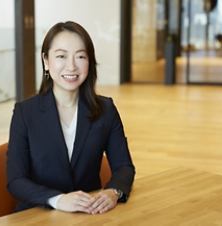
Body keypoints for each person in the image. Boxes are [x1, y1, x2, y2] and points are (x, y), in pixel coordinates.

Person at [7, 21, 135, 215]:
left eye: (80, 56)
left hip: (89, 215)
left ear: (89, 61)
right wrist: (58, 200)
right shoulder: (25, 113)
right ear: (46, 61)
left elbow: (124, 167)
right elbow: (16, 180)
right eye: (61, 56)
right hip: (40, 215)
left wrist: (113, 191)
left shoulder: (106, 110)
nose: (71, 66)